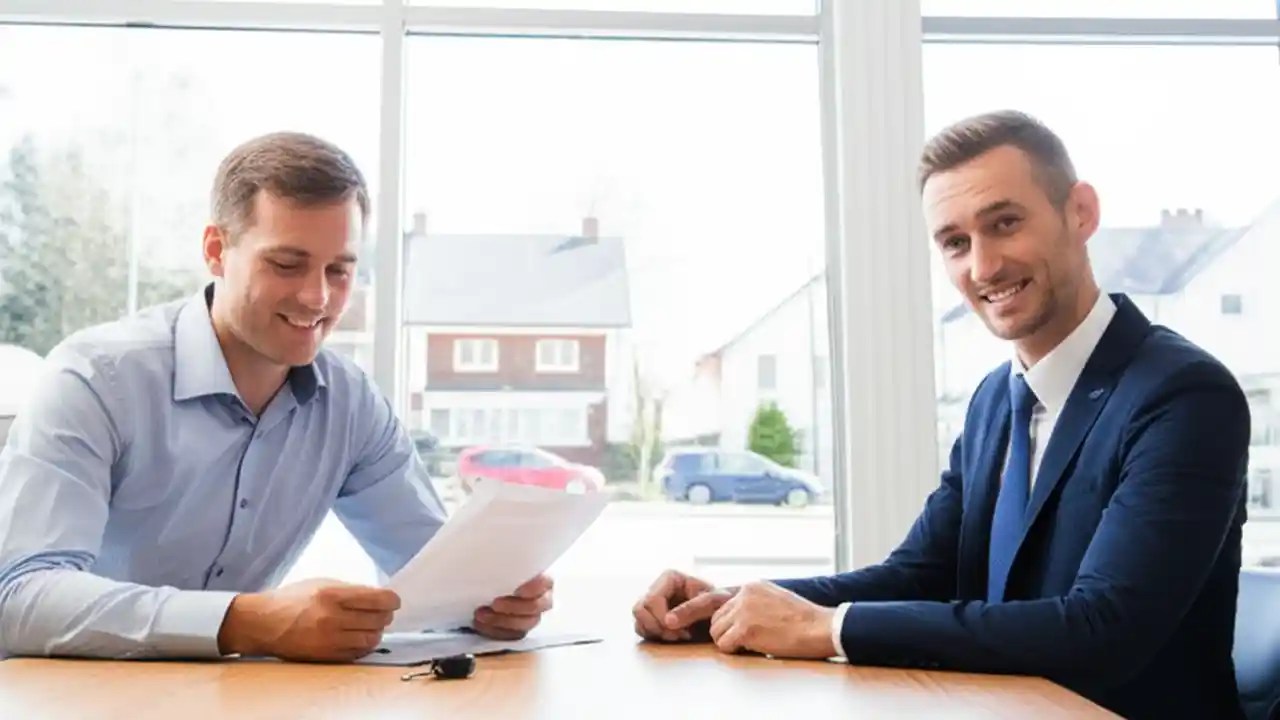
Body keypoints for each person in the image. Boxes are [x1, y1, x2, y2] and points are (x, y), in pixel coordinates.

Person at [632, 110, 1249, 720]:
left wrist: (829, 630)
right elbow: (920, 574)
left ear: (1080, 212)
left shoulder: (1183, 395)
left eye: (1005, 224)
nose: (982, 268)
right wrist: (731, 605)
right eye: (955, 243)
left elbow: (1101, 629)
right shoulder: (992, 401)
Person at [0, 132, 553, 662]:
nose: (317, 298)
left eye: (339, 271)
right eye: (286, 265)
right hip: (74, 697)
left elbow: (436, 574)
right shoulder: (97, 379)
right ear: (217, 250)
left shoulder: (351, 403)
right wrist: (248, 620)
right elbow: (20, 598)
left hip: (232, 701)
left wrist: (490, 603)